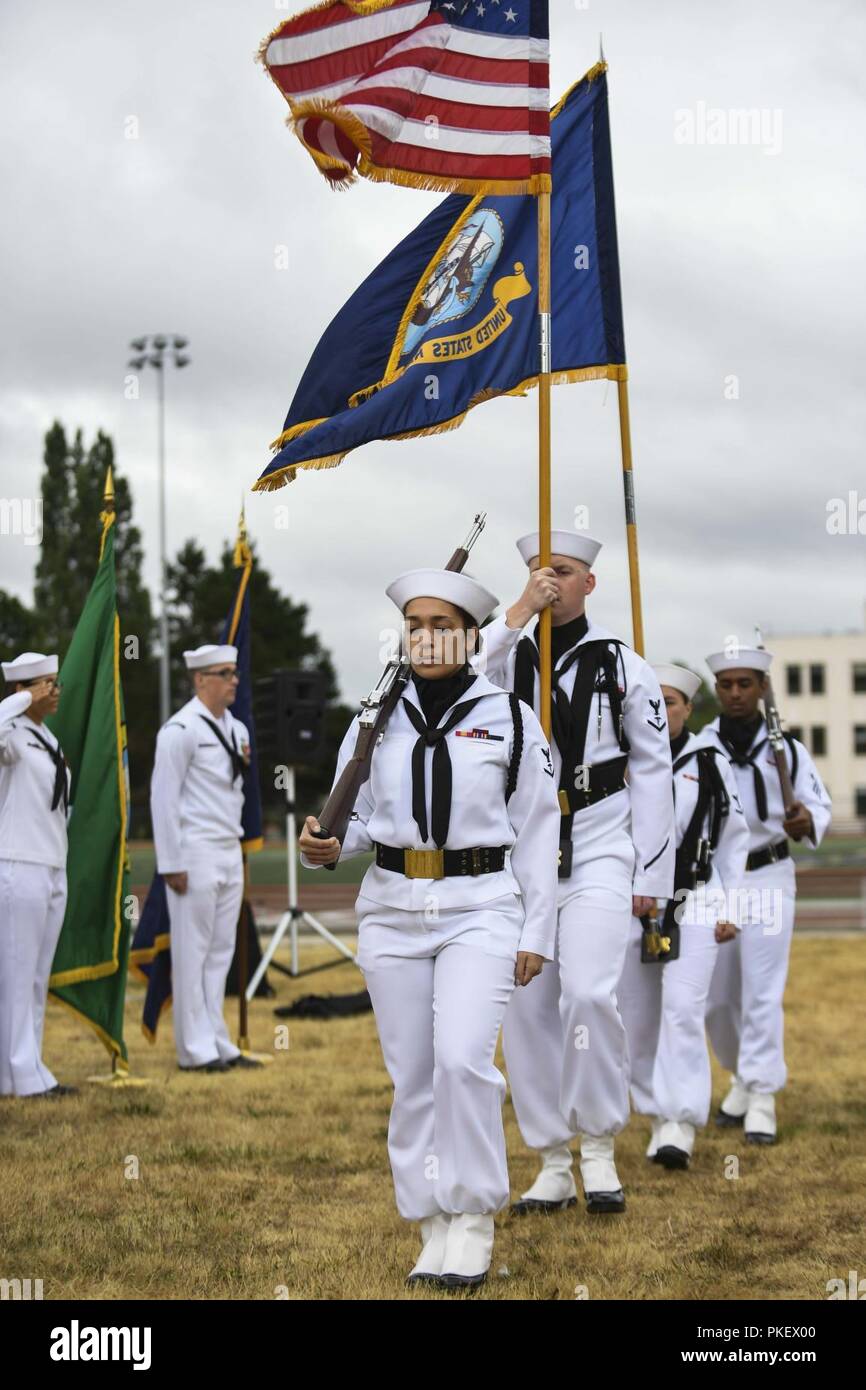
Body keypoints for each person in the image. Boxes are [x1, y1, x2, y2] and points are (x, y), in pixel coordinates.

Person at [300, 565, 560, 1290]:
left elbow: (539, 828)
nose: (426, 638)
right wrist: (326, 844)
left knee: (461, 1064)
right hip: (390, 908)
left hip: (480, 905)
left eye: (442, 626)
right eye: (415, 626)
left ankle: (474, 1216)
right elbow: (354, 820)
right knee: (412, 1076)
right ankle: (431, 1220)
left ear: (472, 637)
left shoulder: (509, 716)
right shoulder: (375, 716)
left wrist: (538, 929)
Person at [481, 531, 675, 1214]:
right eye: (540, 571)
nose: (550, 581)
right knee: (527, 1009)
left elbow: (653, 769)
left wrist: (653, 873)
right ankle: (552, 1158)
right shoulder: (509, 659)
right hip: (524, 847)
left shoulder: (623, 665)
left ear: (590, 583)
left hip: (598, 841)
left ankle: (598, 1147)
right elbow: (462, 680)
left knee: (590, 995)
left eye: (563, 571)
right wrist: (512, 614)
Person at [617, 664, 749, 1168]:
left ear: (689, 709)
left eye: (670, 702)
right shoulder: (621, 759)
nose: (662, 711)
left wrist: (733, 904)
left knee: (682, 1007)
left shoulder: (709, 759)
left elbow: (735, 839)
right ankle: (653, 1112)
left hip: (697, 897)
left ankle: (681, 1120)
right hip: (635, 904)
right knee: (637, 1015)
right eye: (654, 701)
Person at [702, 644, 831, 1143]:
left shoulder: (789, 751)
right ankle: (739, 1072)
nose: (735, 693)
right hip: (717, 879)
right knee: (716, 999)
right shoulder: (701, 747)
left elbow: (817, 806)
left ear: (762, 689)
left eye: (745, 684)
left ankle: (761, 1095)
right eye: (727, 685)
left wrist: (805, 819)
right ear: (717, 690)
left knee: (762, 989)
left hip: (770, 874)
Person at [150, 644, 261, 1073]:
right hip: (193, 851)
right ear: (200, 680)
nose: (234, 680)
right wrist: (171, 862)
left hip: (227, 850)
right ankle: (193, 1049)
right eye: (224, 673)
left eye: (235, 672)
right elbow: (163, 797)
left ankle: (217, 1039)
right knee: (192, 952)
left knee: (220, 951)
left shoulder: (237, 729)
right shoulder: (180, 730)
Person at [0, 652, 75, 1098]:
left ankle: (31, 1066)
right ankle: (16, 1073)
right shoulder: (10, 734)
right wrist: (20, 698)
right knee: (15, 973)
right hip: (18, 864)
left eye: (55, 682)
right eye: (46, 684)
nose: (56, 691)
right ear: (23, 689)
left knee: (36, 975)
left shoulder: (46, 738)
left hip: (50, 863)